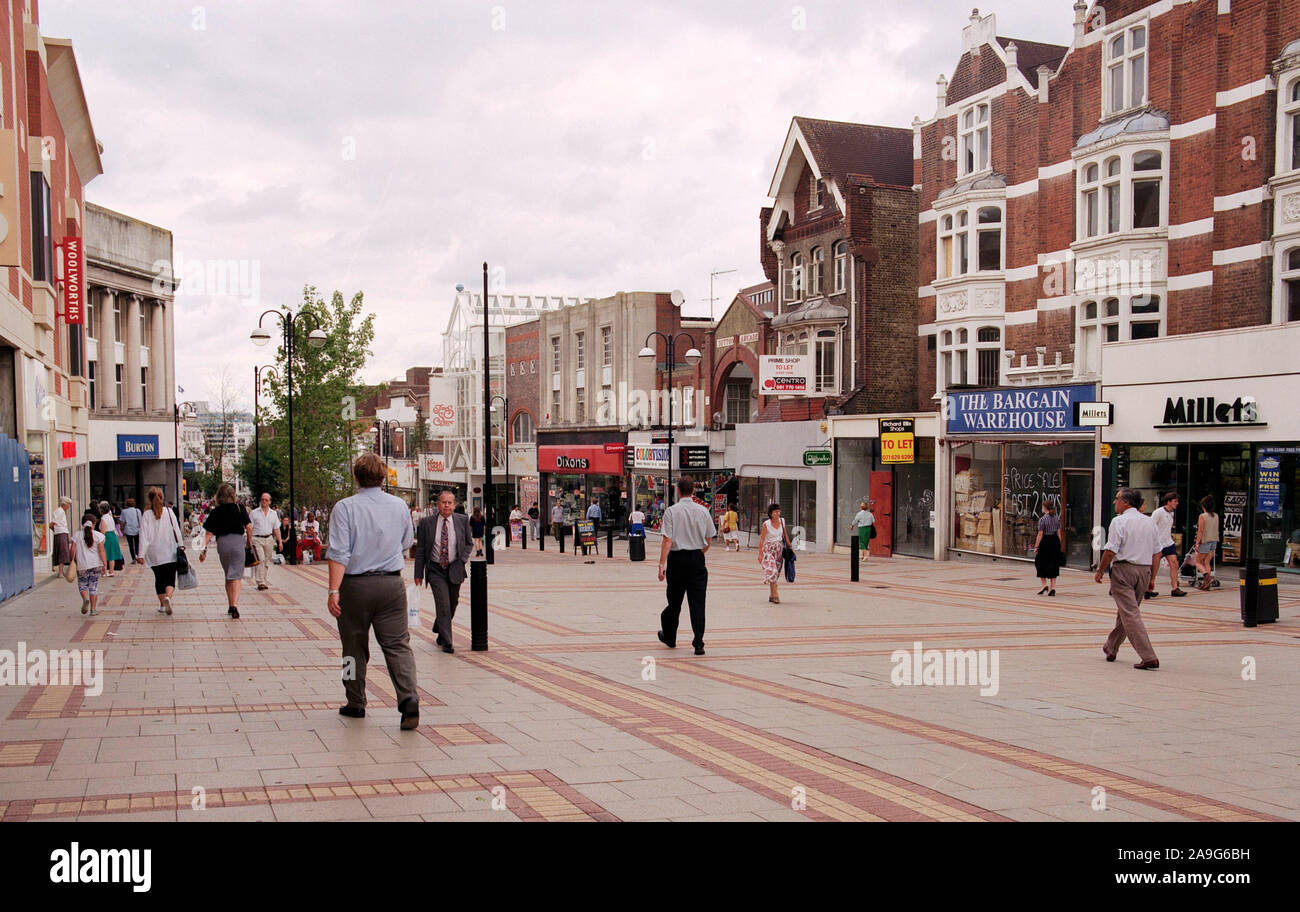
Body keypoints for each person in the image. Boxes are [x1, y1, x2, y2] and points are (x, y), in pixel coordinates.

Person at [326, 453, 419, 729]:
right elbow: (407, 540)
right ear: (382, 477)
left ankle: (355, 701)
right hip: (391, 584)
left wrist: (333, 590)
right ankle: (408, 697)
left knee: (352, 647)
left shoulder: (345, 508)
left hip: (355, 586)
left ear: (356, 477)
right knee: (398, 645)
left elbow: (339, 553)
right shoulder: (399, 506)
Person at [1095, 487, 1162, 670]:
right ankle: (1111, 646)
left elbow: (1111, 550)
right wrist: (1152, 576)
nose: (1114, 502)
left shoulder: (1119, 521)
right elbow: (1158, 551)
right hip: (1144, 570)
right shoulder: (1149, 522)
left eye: (1117, 499)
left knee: (1130, 614)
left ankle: (1148, 656)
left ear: (1126, 502)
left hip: (1124, 570)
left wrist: (1100, 570)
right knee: (1126, 611)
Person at [653, 478, 715, 656]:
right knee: (698, 603)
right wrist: (700, 552)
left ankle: (670, 636)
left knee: (674, 602)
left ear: (678, 491)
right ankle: (698, 643)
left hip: (677, 559)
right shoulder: (703, 511)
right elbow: (709, 539)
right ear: (694, 490)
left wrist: (661, 564)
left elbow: (667, 540)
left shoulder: (671, 512)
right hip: (696, 558)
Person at [414, 489, 474, 654]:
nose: (446, 505)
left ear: (454, 505)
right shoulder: (426, 523)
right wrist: (418, 574)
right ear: (437, 504)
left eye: (449, 503)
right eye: (443, 502)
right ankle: (447, 641)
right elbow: (420, 550)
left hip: (455, 567)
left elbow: (469, 543)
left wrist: (462, 560)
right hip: (435, 569)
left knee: (453, 602)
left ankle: (440, 627)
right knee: (443, 604)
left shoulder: (462, 520)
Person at [200, 483, 254, 618]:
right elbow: (249, 527)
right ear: (233, 495)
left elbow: (208, 534)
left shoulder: (216, 511)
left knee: (228, 574)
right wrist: (249, 542)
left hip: (222, 543)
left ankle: (230, 605)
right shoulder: (239, 508)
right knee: (236, 575)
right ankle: (234, 605)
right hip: (237, 542)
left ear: (219, 496)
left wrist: (204, 550)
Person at [137, 487, 183, 615]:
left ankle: (162, 605)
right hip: (170, 550)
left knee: (159, 578)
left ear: (149, 500)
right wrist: (181, 545)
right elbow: (177, 530)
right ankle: (168, 597)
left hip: (154, 553)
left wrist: (141, 554)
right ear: (162, 498)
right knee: (170, 578)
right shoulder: (169, 512)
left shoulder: (146, 515)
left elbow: (143, 535)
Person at [1148, 492, 1187, 598]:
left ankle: (1175, 588)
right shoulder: (1158, 512)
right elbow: (1151, 526)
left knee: (1174, 563)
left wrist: (1170, 536)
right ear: (1168, 502)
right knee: (1154, 568)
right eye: (1175, 501)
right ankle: (1149, 587)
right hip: (1157, 544)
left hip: (1168, 543)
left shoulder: (1172, 513)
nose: (1177, 503)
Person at [758, 503, 793, 604]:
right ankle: (776, 594)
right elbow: (762, 539)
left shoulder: (782, 521)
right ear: (770, 513)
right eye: (775, 512)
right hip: (768, 550)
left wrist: (790, 546)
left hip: (779, 550)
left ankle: (772, 595)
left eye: (779, 511)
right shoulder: (766, 524)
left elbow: (785, 534)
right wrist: (760, 554)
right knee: (772, 570)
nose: (778, 513)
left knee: (775, 573)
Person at [73, 517, 107, 616]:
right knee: (94, 586)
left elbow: (72, 550)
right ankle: (93, 609)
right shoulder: (98, 535)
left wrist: (74, 560)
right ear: (93, 524)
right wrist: (104, 563)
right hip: (96, 564)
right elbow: (101, 551)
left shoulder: (77, 535)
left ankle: (85, 598)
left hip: (82, 564)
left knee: (82, 584)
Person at [249, 493, 281, 590]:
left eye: (266, 500)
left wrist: (280, 541)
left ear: (270, 502)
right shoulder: (254, 513)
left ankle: (264, 579)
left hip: (269, 539)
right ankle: (260, 582)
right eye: (262, 499)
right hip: (257, 539)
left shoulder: (273, 514)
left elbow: (276, 528)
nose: (264, 501)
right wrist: (249, 540)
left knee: (266, 561)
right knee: (261, 559)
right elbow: (250, 527)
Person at [1033, 503, 1063, 595]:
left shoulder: (1042, 520)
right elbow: (1059, 532)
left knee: (1040, 562)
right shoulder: (1056, 518)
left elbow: (1040, 534)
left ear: (1045, 508)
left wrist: (1036, 546)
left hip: (1045, 541)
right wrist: (1059, 544)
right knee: (1054, 563)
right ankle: (1052, 587)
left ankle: (1044, 584)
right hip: (1055, 541)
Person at [1193, 494, 1219, 590]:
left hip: (1205, 541)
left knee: (1197, 561)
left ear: (1203, 506)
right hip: (1214, 541)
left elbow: (1200, 530)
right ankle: (1207, 583)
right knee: (1207, 562)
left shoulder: (1202, 516)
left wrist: (1197, 543)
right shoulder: (1216, 516)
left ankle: (1206, 576)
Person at [98, 502, 124, 576]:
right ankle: (111, 571)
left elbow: (103, 531)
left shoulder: (103, 518)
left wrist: (101, 540)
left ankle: (104, 571)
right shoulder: (110, 516)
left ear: (101, 510)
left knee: (104, 554)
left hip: (107, 536)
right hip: (113, 535)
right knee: (111, 555)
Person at [50, 496, 72, 577]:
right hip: (61, 533)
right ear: (64, 504)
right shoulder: (60, 511)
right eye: (68, 505)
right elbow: (52, 523)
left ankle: (61, 571)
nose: (69, 507)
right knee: (62, 552)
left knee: (62, 552)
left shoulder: (60, 511)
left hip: (61, 532)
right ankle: (60, 572)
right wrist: (56, 530)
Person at [119, 498, 142, 564]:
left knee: (131, 544)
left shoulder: (124, 511)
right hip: (137, 529)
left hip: (128, 529)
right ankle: (137, 555)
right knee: (137, 543)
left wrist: (122, 529)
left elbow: (122, 521)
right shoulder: (138, 511)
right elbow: (140, 520)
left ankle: (133, 558)